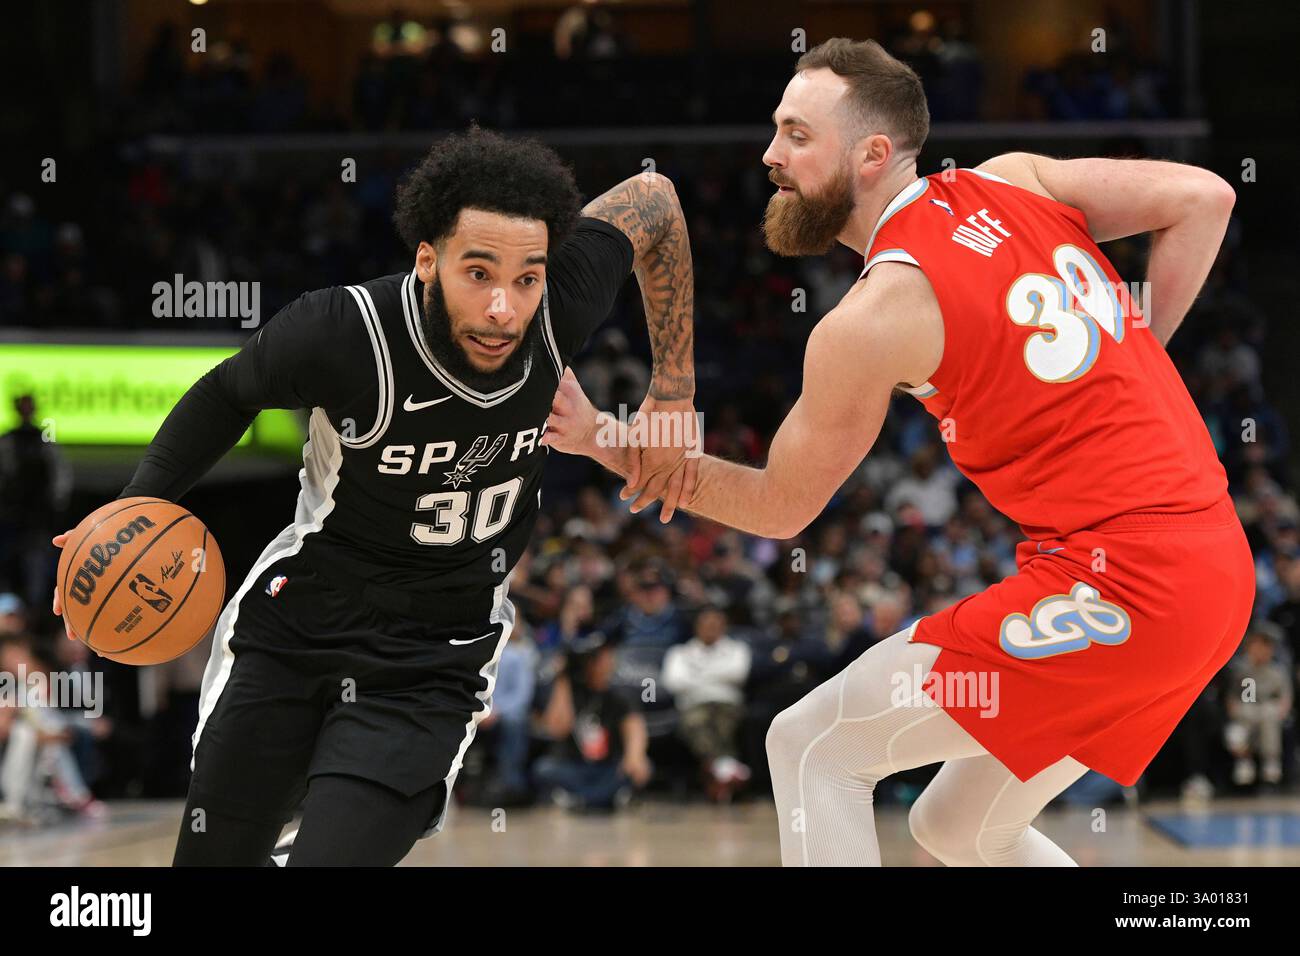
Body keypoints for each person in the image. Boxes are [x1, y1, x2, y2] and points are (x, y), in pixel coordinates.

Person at [541, 37, 1253, 866]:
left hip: (1130, 589)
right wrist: (1134, 355)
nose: (770, 155)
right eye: (777, 130)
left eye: (798, 136)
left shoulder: (875, 316)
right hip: (1210, 576)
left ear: (873, 154)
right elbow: (1203, 197)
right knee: (954, 826)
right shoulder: (1011, 177)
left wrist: (604, 441)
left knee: (812, 747)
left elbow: (781, 507)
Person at [50, 127, 697, 866]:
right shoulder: (342, 333)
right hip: (298, 624)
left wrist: (673, 390)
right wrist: (131, 510)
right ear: (428, 262)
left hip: (434, 656)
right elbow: (226, 394)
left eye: (526, 279)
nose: (503, 308)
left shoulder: (557, 309)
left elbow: (654, 199)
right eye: (478, 273)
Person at [534, 631, 651, 809]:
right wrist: (562, 678)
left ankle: (580, 800)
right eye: (596, 659)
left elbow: (634, 727)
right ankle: (605, 799)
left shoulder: (621, 693)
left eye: (605, 658)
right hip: (574, 766)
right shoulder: (568, 690)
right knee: (543, 769)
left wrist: (635, 755)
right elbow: (557, 729)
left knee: (640, 769)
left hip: (608, 767)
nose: (603, 664)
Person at [661, 606, 752, 800]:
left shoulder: (737, 649)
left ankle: (718, 774)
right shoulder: (680, 652)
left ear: (724, 626)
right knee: (696, 722)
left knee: (724, 724)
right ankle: (727, 768)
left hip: (728, 705)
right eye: (706, 624)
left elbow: (738, 674)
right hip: (693, 706)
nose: (711, 628)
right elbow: (673, 681)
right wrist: (717, 676)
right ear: (697, 626)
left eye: (715, 624)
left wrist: (697, 675)